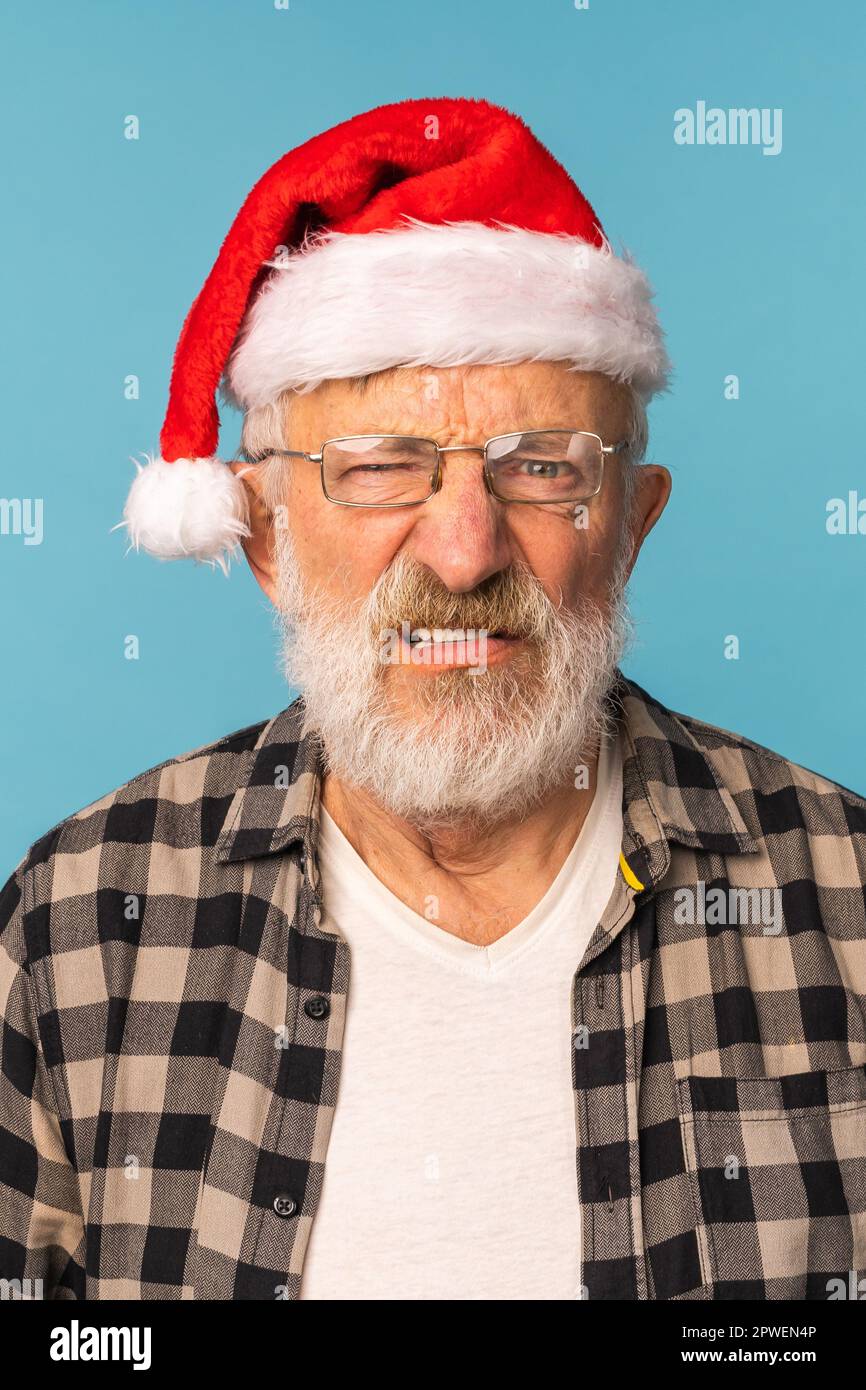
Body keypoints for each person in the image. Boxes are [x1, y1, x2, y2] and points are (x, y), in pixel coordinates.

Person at [1, 97, 864, 1302]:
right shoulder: (79, 924)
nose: (462, 552)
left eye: (543, 467)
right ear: (265, 537)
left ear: (627, 525)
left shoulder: (846, 906)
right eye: (375, 468)